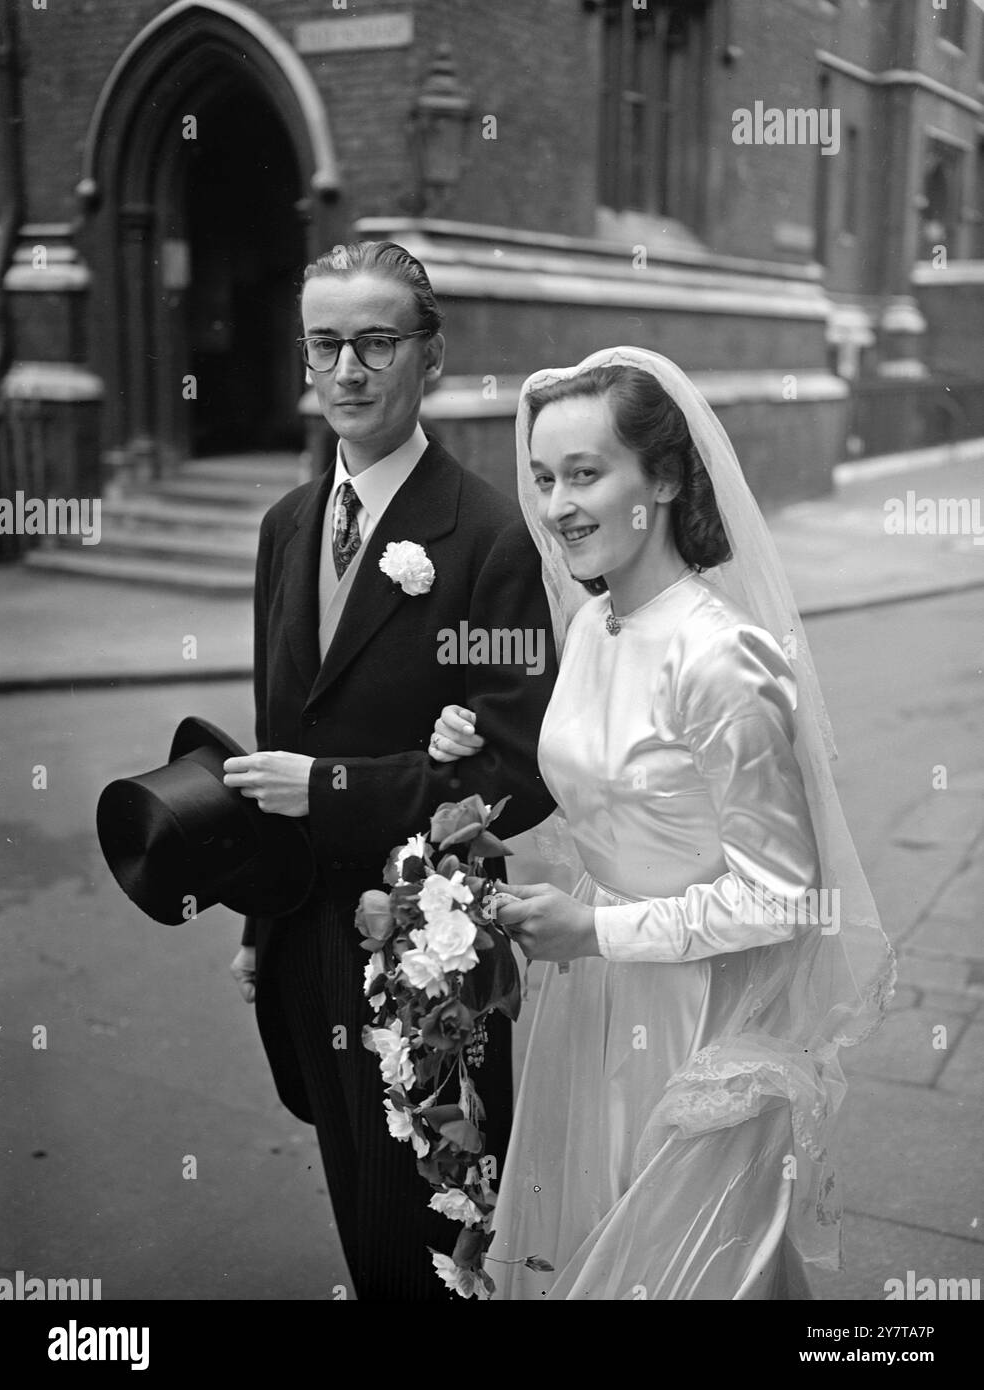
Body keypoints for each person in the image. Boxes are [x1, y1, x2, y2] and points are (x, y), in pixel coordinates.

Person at [429, 347, 895, 1300]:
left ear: (667, 479)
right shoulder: (593, 627)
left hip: (694, 1020)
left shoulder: (724, 659)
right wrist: (488, 814)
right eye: (545, 477)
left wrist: (595, 930)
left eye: (586, 474)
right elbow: (614, 807)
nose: (557, 503)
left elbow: (783, 897)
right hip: (591, 1004)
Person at [223, 241, 557, 1301]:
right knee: (360, 1231)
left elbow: (516, 771)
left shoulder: (489, 538)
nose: (349, 370)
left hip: (426, 962)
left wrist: (330, 790)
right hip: (302, 934)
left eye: (376, 342)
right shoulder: (285, 527)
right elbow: (281, 723)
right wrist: (253, 920)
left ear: (431, 357)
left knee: (426, 1239)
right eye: (327, 344)